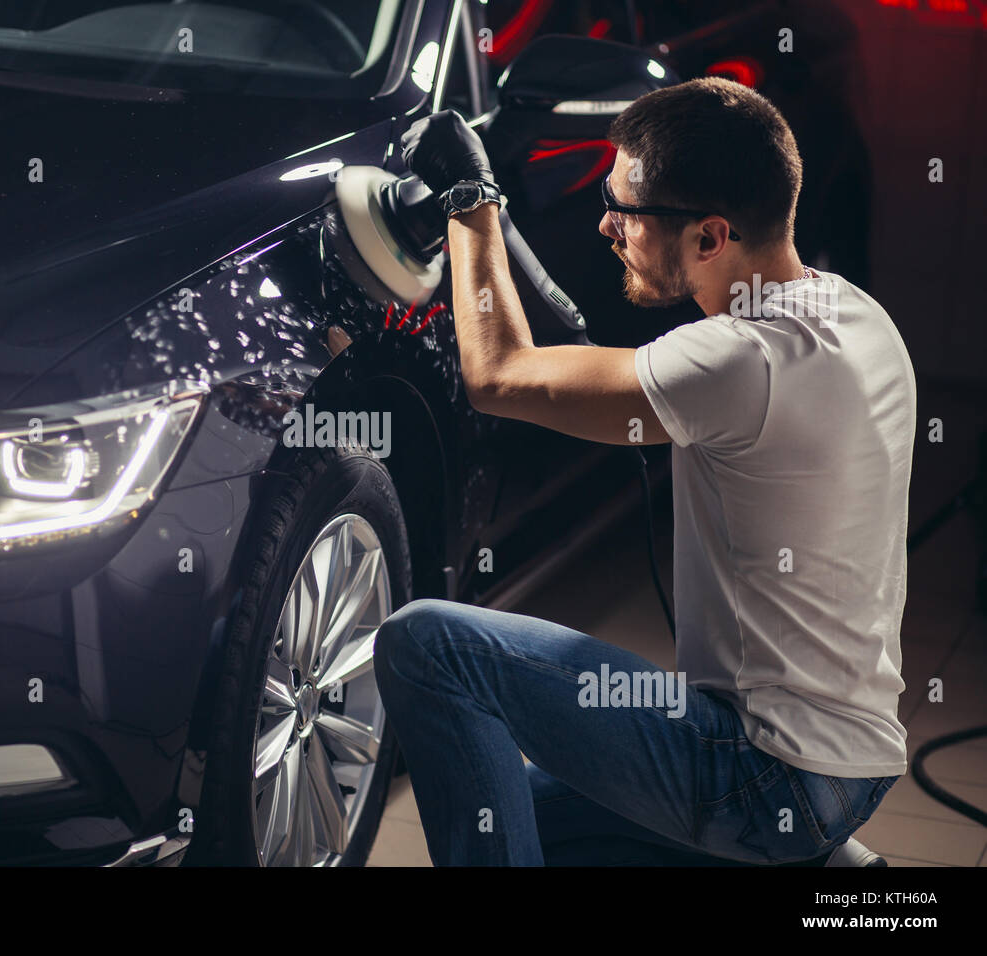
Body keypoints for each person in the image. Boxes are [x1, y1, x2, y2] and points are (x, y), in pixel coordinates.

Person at [372, 77, 915, 866]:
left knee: (427, 644)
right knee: (514, 815)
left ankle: (781, 845)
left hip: (761, 775)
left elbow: (498, 374)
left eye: (625, 209)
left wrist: (471, 201)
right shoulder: (857, 315)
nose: (606, 224)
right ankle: (824, 863)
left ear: (709, 238)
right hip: (854, 764)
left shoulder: (737, 360)